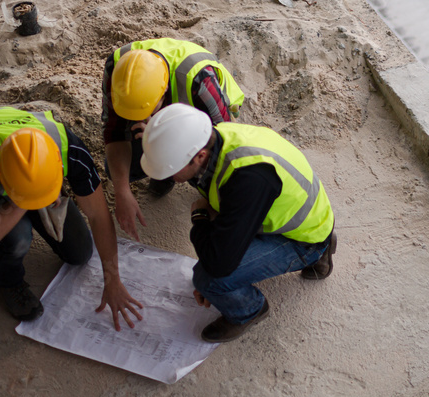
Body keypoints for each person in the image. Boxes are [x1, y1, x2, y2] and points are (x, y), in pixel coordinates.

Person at [139, 104, 336, 343]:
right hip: (294, 212)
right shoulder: (218, 138)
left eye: (170, 170)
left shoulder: (248, 178)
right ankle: (323, 242)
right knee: (218, 253)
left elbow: (218, 263)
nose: (168, 178)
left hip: (303, 238)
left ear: (199, 156)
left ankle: (249, 310)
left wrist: (199, 216)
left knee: (209, 280)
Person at [0, 106, 143, 329]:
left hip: (22, 176)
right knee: (18, 236)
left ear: (58, 166)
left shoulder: (70, 149)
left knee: (80, 252)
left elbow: (99, 216)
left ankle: (35, 192)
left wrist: (112, 280)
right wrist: (22, 201)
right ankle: (6, 281)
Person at [102, 38, 245, 240]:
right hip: (170, 114)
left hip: (209, 117)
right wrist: (122, 191)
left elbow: (225, 139)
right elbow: (113, 132)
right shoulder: (117, 68)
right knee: (115, 168)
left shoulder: (200, 81)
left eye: (146, 112)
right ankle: (163, 170)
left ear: (165, 92)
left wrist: (161, 136)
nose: (140, 119)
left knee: (207, 174)